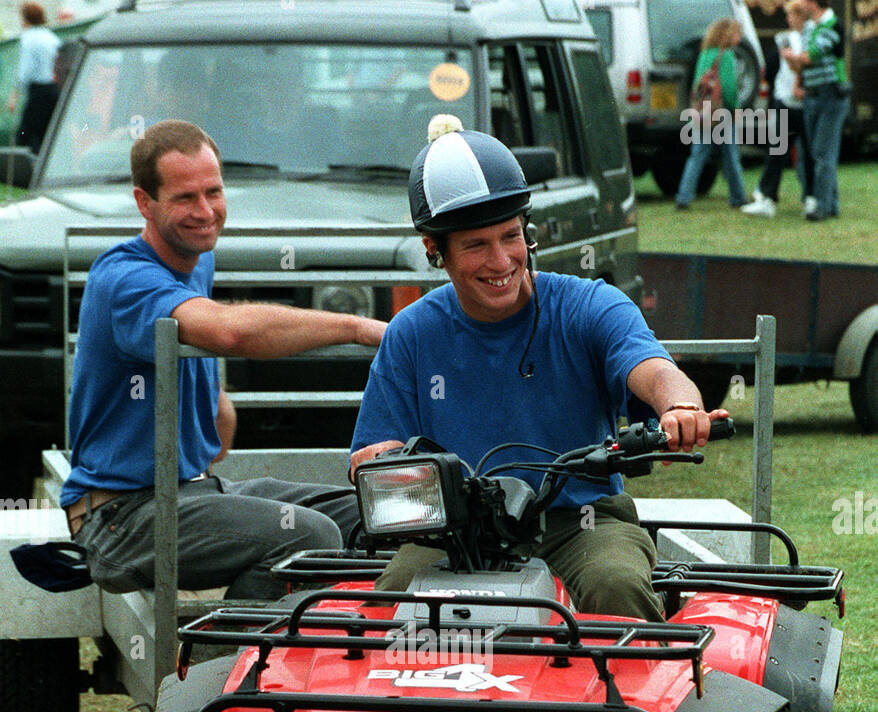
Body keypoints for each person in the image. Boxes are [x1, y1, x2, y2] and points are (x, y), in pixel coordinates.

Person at [350, 117, 728, 622]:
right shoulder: (411, 333)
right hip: (453, 532)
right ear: (434, 249)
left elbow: (650, 365)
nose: (501, 260)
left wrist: (680, 405)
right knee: (391, 602)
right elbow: (372, 452)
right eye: (476, 245)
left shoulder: (589, 305)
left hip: (582, 521)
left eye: (511, 236)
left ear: (528, 233)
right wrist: (381, 461)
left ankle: (641, 674)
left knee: (616, 585)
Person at [61, 120, 385, 599]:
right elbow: (229, 331)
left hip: (192, 489)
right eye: (185, 197)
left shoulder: (196, 260)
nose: (205, 211)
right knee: (311, 535)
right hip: (119, 518)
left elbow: (198, 340)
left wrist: (214, 401)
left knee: (375, 513)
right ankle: (228, 646)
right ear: (144, 203)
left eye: (213, 191)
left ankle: (337, 641)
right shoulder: (125, 278)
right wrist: (357, 327)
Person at [741, 0, 816, 218]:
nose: (787, 19)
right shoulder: (786, 38)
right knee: (777, 152)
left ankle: (811, 198)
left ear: (800, 16)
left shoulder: (808, 39)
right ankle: (767, 197)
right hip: (785, 101)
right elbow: (773, 69)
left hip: (803, 102)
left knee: (808, 154)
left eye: (791, 15)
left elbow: (799, 66)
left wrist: (793, 65)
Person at [782, 1, 849, 221]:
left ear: (813, 3)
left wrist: (794, 57)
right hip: (812, 95)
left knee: (822, 152)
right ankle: (832, 204)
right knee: (819, 152)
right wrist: (791, 60)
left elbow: (811, 55)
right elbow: (801, 65)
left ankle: (822, 206)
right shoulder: (810, 28)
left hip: (831, 95)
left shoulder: (833, 26)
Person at [675, 19, 747, 212]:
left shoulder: (705, 53)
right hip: (721, 113)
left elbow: (697, 84)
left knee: (697, 155)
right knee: (731, 156)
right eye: (737, 34)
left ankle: (684, 197)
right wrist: (736, 108)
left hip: (702, 112)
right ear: (727, 35)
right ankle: (738, 197)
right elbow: (729, 87)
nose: (739, 38)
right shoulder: (726, 55)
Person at [5, 3, 61, 154]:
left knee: (25, 135)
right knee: (47, 133)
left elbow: (25, 71)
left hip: (38, 91)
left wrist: (14, 96)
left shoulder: (28, 38)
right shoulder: (52, 37)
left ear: (26, 18)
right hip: (53, 90)